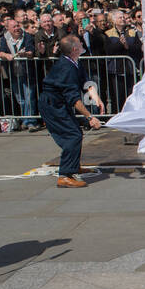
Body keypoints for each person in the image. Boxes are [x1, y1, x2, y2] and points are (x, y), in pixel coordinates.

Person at [39, 35, 103, 188]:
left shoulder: (74, 63)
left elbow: (85, 82)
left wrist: (96, 98)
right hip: (52, 104)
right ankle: (65, 175)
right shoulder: (66, 68)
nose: (82, 44)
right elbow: (74, 99)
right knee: (72, 135)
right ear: (75, 49)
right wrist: (90, 117)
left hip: (59, 103)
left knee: (75, 132)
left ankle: (73, 166)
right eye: (80, 44)